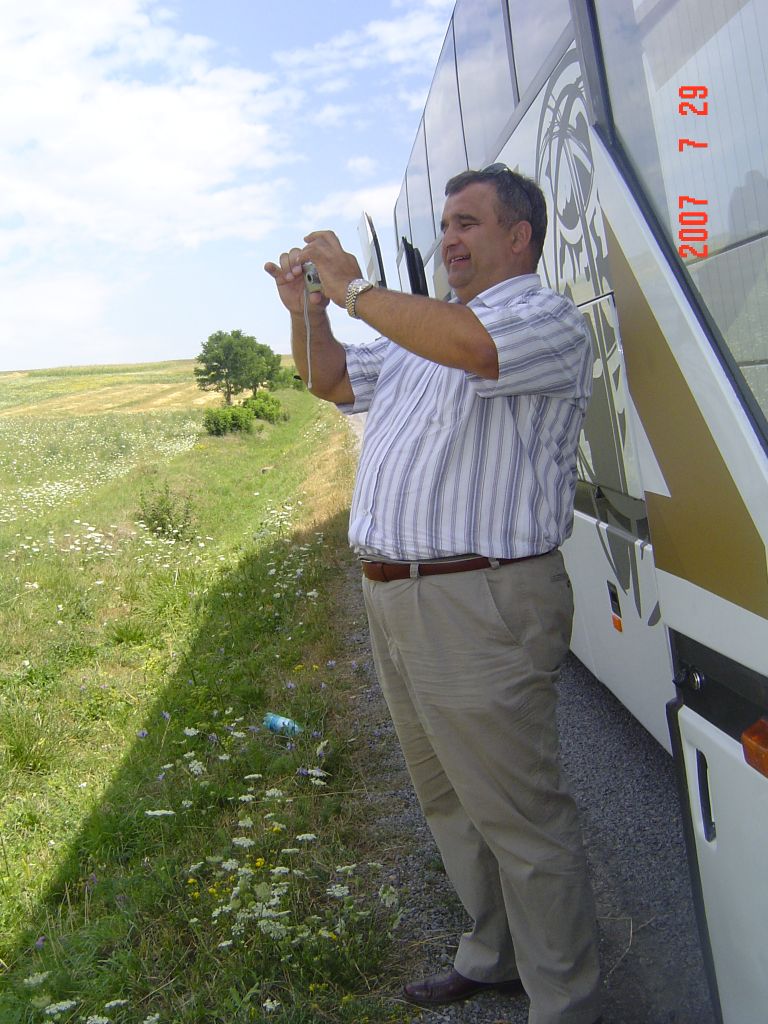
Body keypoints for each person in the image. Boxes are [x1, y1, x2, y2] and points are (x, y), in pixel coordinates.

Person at [264, 164, 602, 1024]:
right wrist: (309, 315)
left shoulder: (540, 318)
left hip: (478, 601)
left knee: (520, 817)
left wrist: (352, 285)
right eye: (445, 226)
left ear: (518, 237)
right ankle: (494, 956)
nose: (448, 240)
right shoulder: (424, 337)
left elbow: (473, 349)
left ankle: (565, 1002)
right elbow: (331, 381)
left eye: (468, 224)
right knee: (448, 799)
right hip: (398, 600)